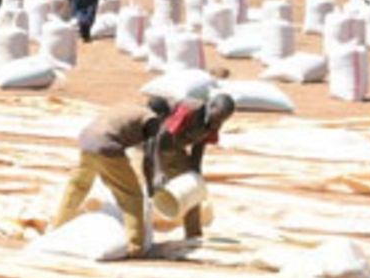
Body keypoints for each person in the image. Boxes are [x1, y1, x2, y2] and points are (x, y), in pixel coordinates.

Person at [52, 102, 166, 259]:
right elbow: (149, 157)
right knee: (132, 197)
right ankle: (136, 247)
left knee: (78, 187)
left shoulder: (130, 108)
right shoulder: (152, 120)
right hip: (107, 147)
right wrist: (151, 185)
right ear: (163, 115)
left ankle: (58, 227)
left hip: (87, 141)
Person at [149, 94, 235, 242]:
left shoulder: (214, 121)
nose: (219, 121)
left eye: (223, 119)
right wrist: (159, 171)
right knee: (141, 192)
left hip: (173, 150)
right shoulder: (189, 110)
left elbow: (199, 146)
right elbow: (161, 136)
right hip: (151, 146)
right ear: (211, 106)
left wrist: (195, 173)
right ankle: (138, 235)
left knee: (192, 192)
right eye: (219, 116)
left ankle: (193, 235)